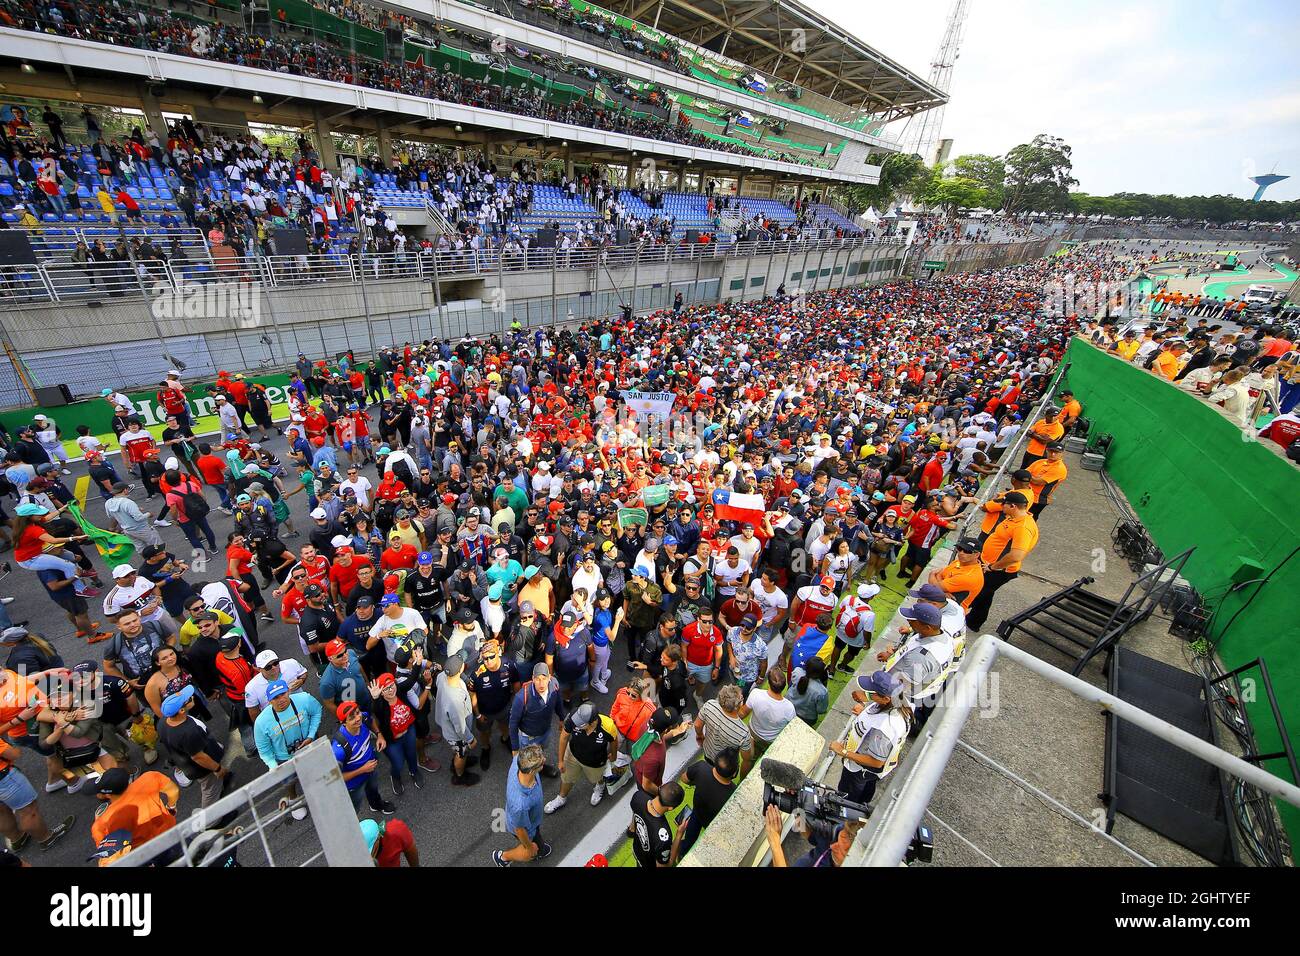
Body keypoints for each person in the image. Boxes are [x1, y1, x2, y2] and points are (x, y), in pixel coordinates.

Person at [830, 670, 910, 805]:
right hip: (868, 773)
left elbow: (876, 762)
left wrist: (843, 752)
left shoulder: (885, 727)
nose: (868, 694)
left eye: (872, 693)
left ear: (885, 698)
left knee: (847, 799)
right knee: (866, 790)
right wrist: (864, 714)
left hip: (860, 771)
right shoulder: (898, 704)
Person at [966, 491, 1039, 631]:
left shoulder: (1023, 527)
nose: (1001, 507)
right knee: (985, 595)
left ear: (1013, 506)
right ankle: (974, 622)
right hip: (990, 564)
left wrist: (993, 567)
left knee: (977, 593)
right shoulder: (1013, 518)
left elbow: (1016, 555)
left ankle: (963, 618)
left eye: (1003, 504)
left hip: (998, 570)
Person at [157, 685, 232, 809]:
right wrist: (217, 769)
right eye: (188, 699)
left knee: (214, 783)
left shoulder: (163, 722)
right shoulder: (188, 732)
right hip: (203, 769)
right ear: (181, 710)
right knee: (210, 791)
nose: (192, 697)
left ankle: (222, 780)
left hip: (188, 763)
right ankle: (211, 820)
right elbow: (199, 757)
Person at [544, 701, 624, 813]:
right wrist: (561, 760)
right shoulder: (574, 717)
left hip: (595, 762)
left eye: (581, 723)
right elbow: (564, 737)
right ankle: (561, 798)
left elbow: (614, 740)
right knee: (567, 778)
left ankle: (600, 786)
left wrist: (614, 755)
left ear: (593, 722)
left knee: (597, 778)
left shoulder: (608, 726)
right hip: (573, 755)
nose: (577, 724)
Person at [672, 746, 738, 860]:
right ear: (734, 774)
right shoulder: (734, 793)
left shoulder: (701, 768)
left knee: (690, 836)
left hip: (697, 812)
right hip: (713, 824)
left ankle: (682, 852)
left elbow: (684, 778)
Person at [492, 743, 550, 866]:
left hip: (531, 820)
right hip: (527, 829)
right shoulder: (520, 804)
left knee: (537, 841)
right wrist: (529, 847)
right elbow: (520, 829)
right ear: (531, 771)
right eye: (541, 762)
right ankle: (503, 857)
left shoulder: (518, 760)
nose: (544, 760)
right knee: (533, 849)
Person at [434, 654, 480, 787]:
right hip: (457, 735)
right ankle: (459, 775)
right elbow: (460, 727)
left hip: (446, 724)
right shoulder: (454, 700)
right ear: (460, 670)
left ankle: (460, 761)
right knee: (461, 753)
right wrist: (470, 739)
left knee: (460, 752)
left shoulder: (441, 676)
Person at [629, 778, 685, 868]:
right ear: (670, 808)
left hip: (636, 851)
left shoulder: (639, 796)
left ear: (660, 789)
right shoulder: (664, 837)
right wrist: (679, 834)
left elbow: (635, 816)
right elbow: (666, 866)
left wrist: (632, 828)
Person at [740, 668, 796, 756]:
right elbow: (791, 728)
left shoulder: (756, 694)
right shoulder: (789, 708)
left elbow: (743, 713)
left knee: (749, 759)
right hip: (771, 740)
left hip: (752, 732)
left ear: (769, 683)